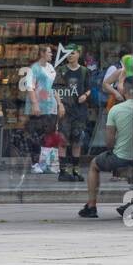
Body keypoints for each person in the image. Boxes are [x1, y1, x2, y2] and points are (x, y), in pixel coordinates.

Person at [78, 76, 133, 219]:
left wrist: (118, 148)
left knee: (93, 165)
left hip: (120, 157)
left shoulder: (115, 110)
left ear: (126, 91)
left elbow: (109, 141)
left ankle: (91, 205)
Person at [57, 45, 91, 181]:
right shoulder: (62, 70)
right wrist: (59, 104)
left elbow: (89, 88)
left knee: (78, 140)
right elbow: (56, 89)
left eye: (73, 53)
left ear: (79, 54)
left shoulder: (84, 71)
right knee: (63, 140)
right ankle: (63, 171)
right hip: (65, 109)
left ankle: (76, 170)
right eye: (68, 53)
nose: (70, 55)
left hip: (79, 110)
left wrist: (85, 95)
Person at [23, 45, 61, 166]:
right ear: (42, 54)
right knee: (37, 135)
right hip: (39, 107)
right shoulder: (34, 69)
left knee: (50, 134)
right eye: (49, 52)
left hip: (51, 106)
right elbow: (30, 87)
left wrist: (59, 103)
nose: (51, 54)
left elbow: (54, 87)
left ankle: (47, 163)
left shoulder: (51, 67)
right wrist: (35, 104)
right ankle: (35, 164)